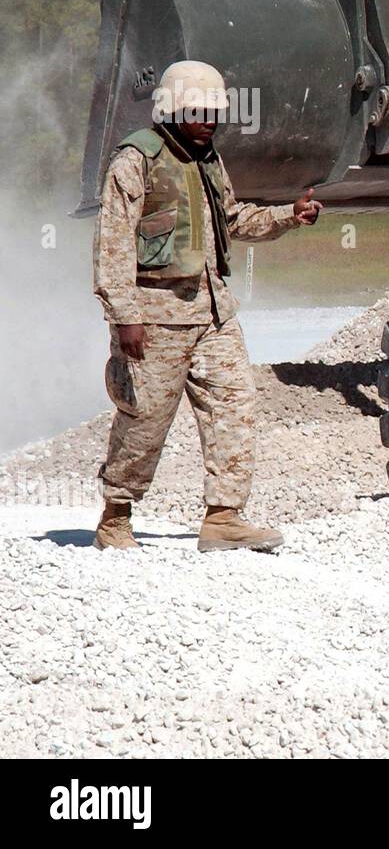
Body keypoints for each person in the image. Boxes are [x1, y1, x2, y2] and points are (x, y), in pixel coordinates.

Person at [91, 60, 322, 551]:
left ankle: (223, 518)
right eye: (198, 110)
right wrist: (125, 317)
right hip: (155, 321)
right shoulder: (136, 160)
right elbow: (112, 246)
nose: (208, 120)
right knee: (144, 420)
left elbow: (233, 221)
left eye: (215, 112)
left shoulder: (209, 160)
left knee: (233, 406)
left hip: (214, 316)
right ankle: (115, 517)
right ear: (173, 110)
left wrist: (290, 216)